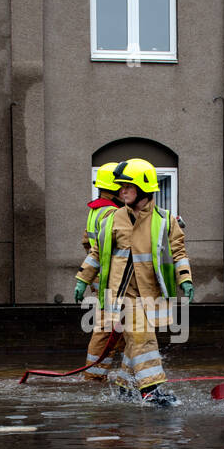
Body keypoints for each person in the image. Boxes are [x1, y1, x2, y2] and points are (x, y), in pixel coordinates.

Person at [74, 158, 193, 406]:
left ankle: (126, 386)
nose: (122, 191)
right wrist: (82, 279)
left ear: (143, 188)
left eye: (127, 187)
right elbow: (96, 253)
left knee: (133, 342)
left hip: (149, 292)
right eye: (120, 187)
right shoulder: (113, 219)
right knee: (140, 337)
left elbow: (178, 252)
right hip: (119, 293)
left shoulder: (164, 220)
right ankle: (151, 389)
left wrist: (185, 279)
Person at [80, 163, 123, 384]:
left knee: (122, 327)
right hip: (112, 280)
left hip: (100, 278)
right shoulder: (113, 213)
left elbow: (87, 242)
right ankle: (94, 377)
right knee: (108, 328)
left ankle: (131, 373)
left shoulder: (95, 211)